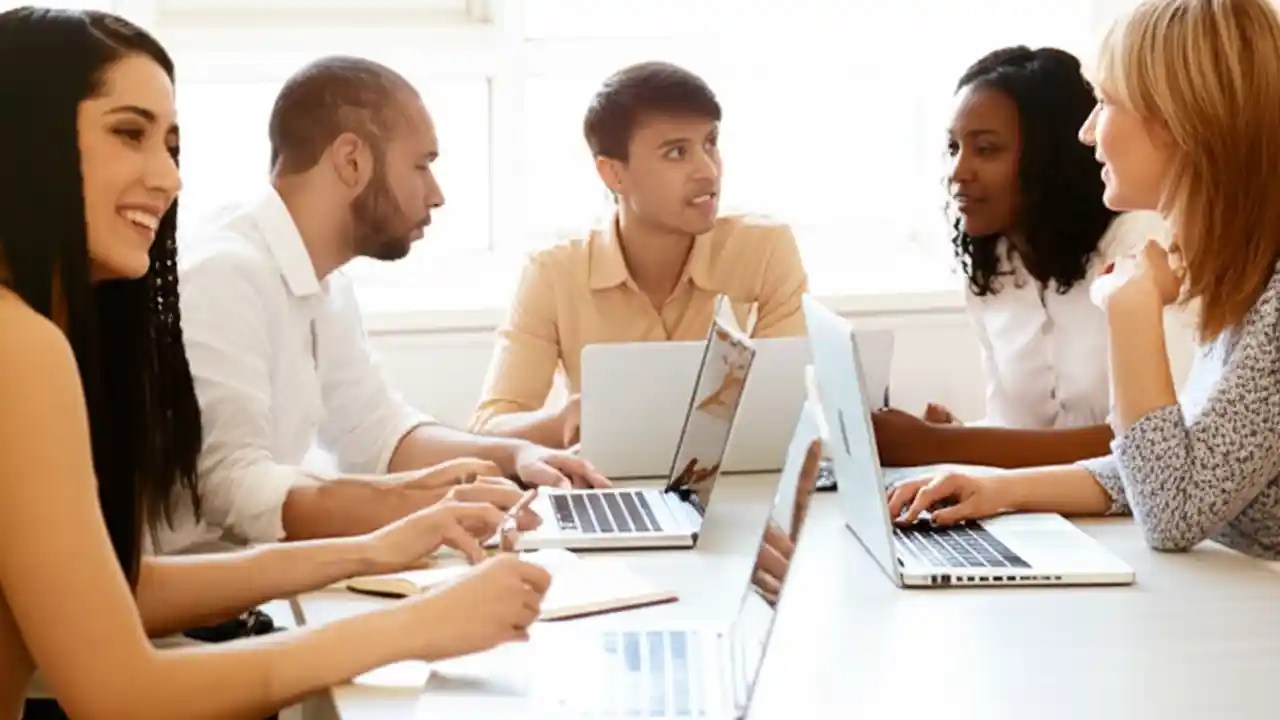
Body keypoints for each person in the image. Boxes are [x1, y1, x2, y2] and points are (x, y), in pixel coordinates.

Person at [0, 7, 551, 719]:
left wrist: (372, 550)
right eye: (128, 133)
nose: (167, 177)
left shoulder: (38, 335)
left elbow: (114, 587)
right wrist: (413, 628)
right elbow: (117, 692)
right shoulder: (23, 348)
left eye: (172, 145)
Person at [888, 0, 1280, 559]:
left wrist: (1131, 307)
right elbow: (1160, 465)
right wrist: (998, 488)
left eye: (1105, 102)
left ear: (1175, 123)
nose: (1088, 132)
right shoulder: (1244, 275)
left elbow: (1172, 512)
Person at [171, 56, 610, 553]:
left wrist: (519, 454)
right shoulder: (224, 273)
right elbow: (231, 488)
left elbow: (380, 436)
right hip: (199, 608)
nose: (437, 194)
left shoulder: (323, 282)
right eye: (422, 165)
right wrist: (428, 505)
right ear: (351, 160)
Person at [870, 46, 1191, 470]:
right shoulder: (991, 270)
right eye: (954, 148)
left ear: (1049, 157)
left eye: (985, 150)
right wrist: (960, 435)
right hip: (1041, 509)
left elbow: (1153, 443)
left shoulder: (1141, 247)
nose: (958, 171)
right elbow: (1020, 429)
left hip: (1128, 520)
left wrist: (941, 446)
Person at [468, 61, 809, 449]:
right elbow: (488, 428)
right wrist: (566, 419)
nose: (708, 170)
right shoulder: (552, 273)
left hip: (734, 487)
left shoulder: (766, 249)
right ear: (613, 174)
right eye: (677, 152)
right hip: (606, 489)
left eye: (710, 143)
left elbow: (785, 408)